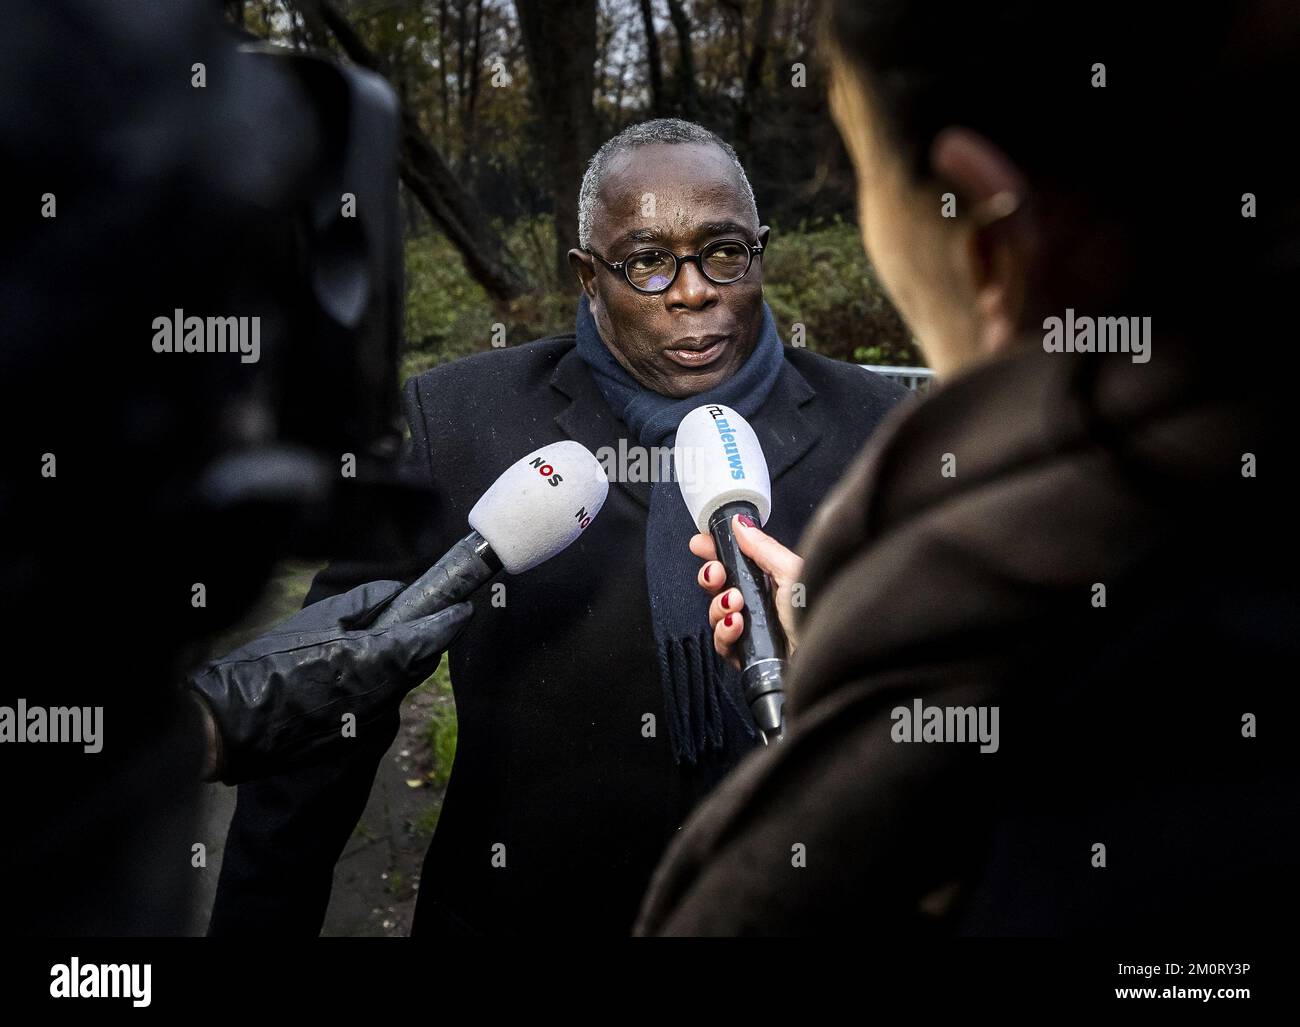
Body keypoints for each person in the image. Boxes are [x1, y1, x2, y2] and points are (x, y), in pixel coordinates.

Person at [635, 1, 1300, 935]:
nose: (694, 291)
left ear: (986, 234)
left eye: (858, 171)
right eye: (648, 265)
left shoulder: (1016, 762)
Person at [210, 119, 908, 936]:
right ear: (587, 276)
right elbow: (327, 720)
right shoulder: (460, 421)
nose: (693, 290)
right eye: (648, 260)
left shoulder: (882, 427)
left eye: (724, 251)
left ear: (760, 252)